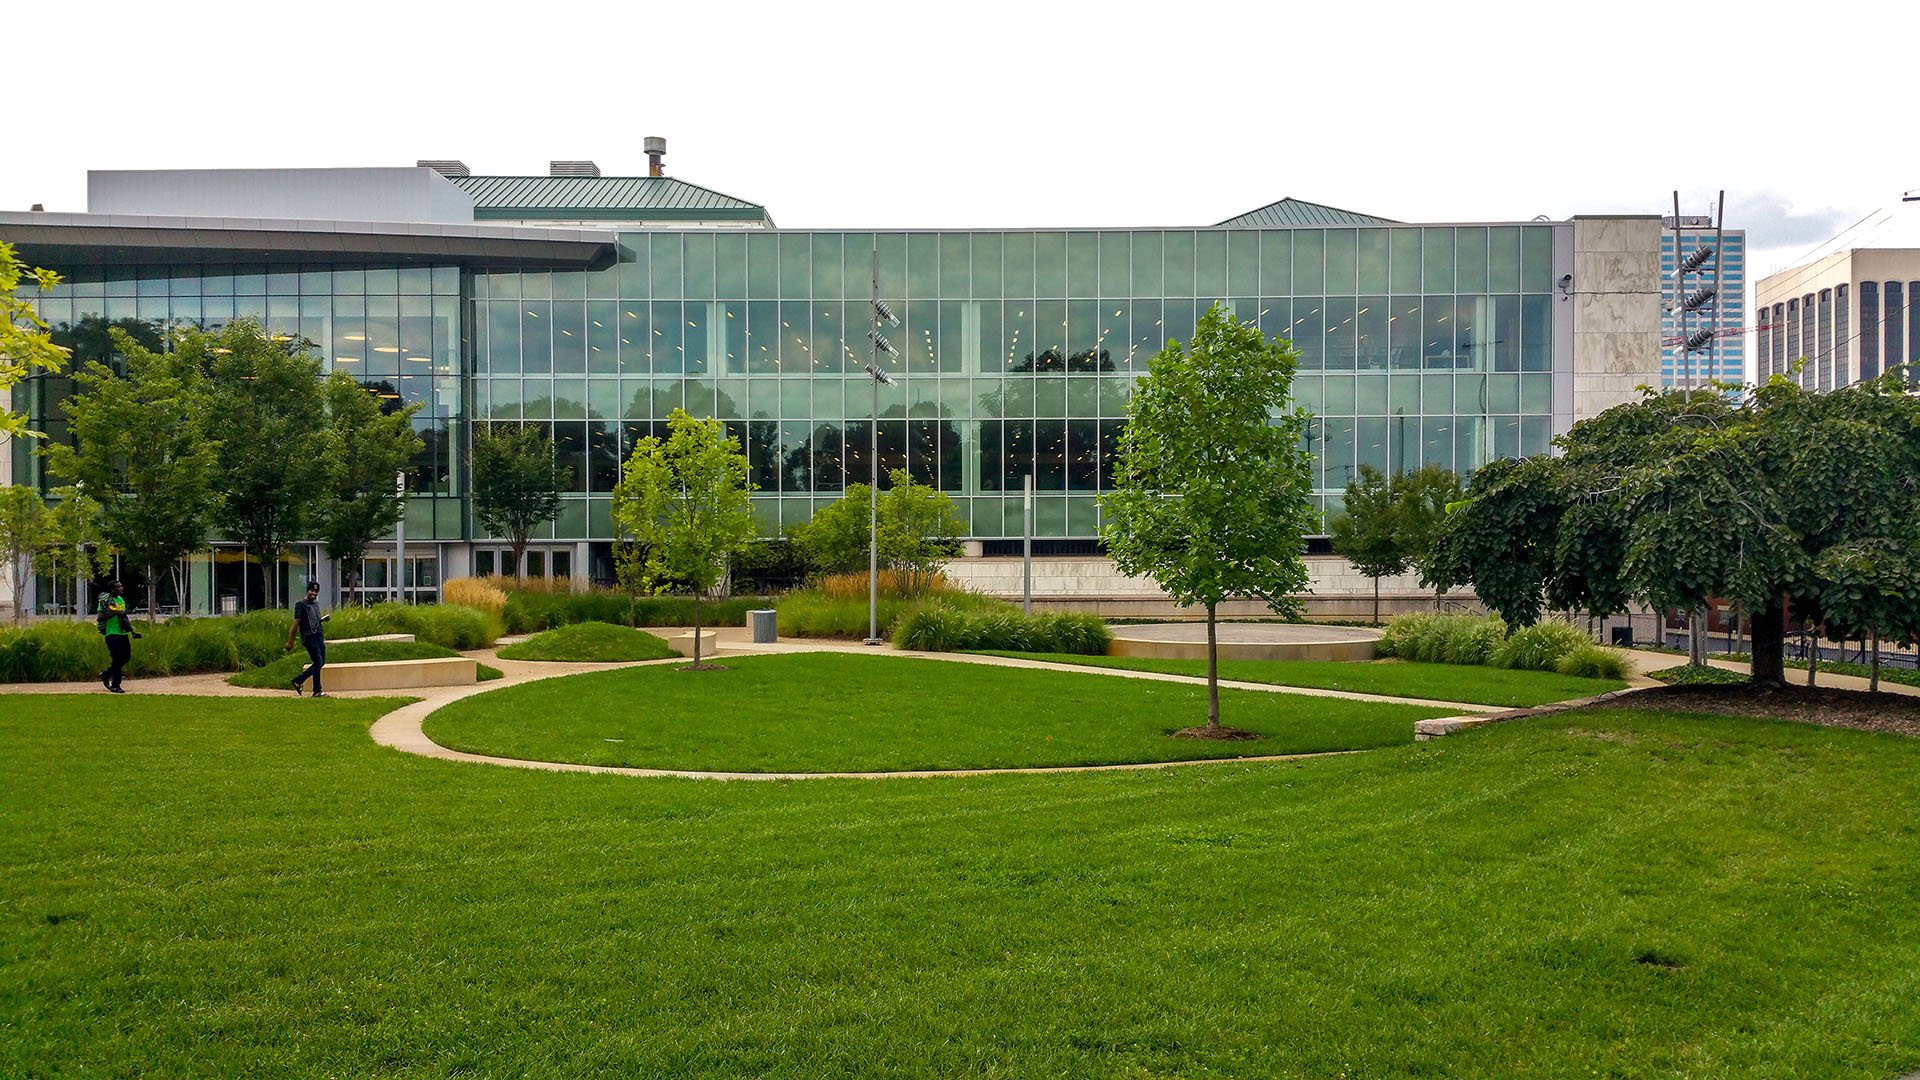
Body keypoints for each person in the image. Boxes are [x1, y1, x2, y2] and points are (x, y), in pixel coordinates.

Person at [286, 580, 331, 697]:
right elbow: (296, 623)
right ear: (307, 590)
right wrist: (290, 641)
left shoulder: (316, 604)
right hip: (309, 637)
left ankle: (298, 681)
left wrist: (323, 619)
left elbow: (313, 620)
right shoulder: (300, 605)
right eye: (312, 590)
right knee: (317, 661)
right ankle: (317, 690)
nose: (314, 593)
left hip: (318, 636)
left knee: (321, 662)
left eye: (316, 591)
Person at [95, 580, 139, 693]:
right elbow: (100, 616)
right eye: (118, 587)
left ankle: (106, 674)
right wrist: (116, 613)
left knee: (126, 657)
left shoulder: (120, 600)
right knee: (117, 659)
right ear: (112, 589)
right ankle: (115, 685)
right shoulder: (106, 601)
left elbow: (124, 617)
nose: (121, 588)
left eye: (121, 586)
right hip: (112, 633)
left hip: (122, 633)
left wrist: (132, 630)